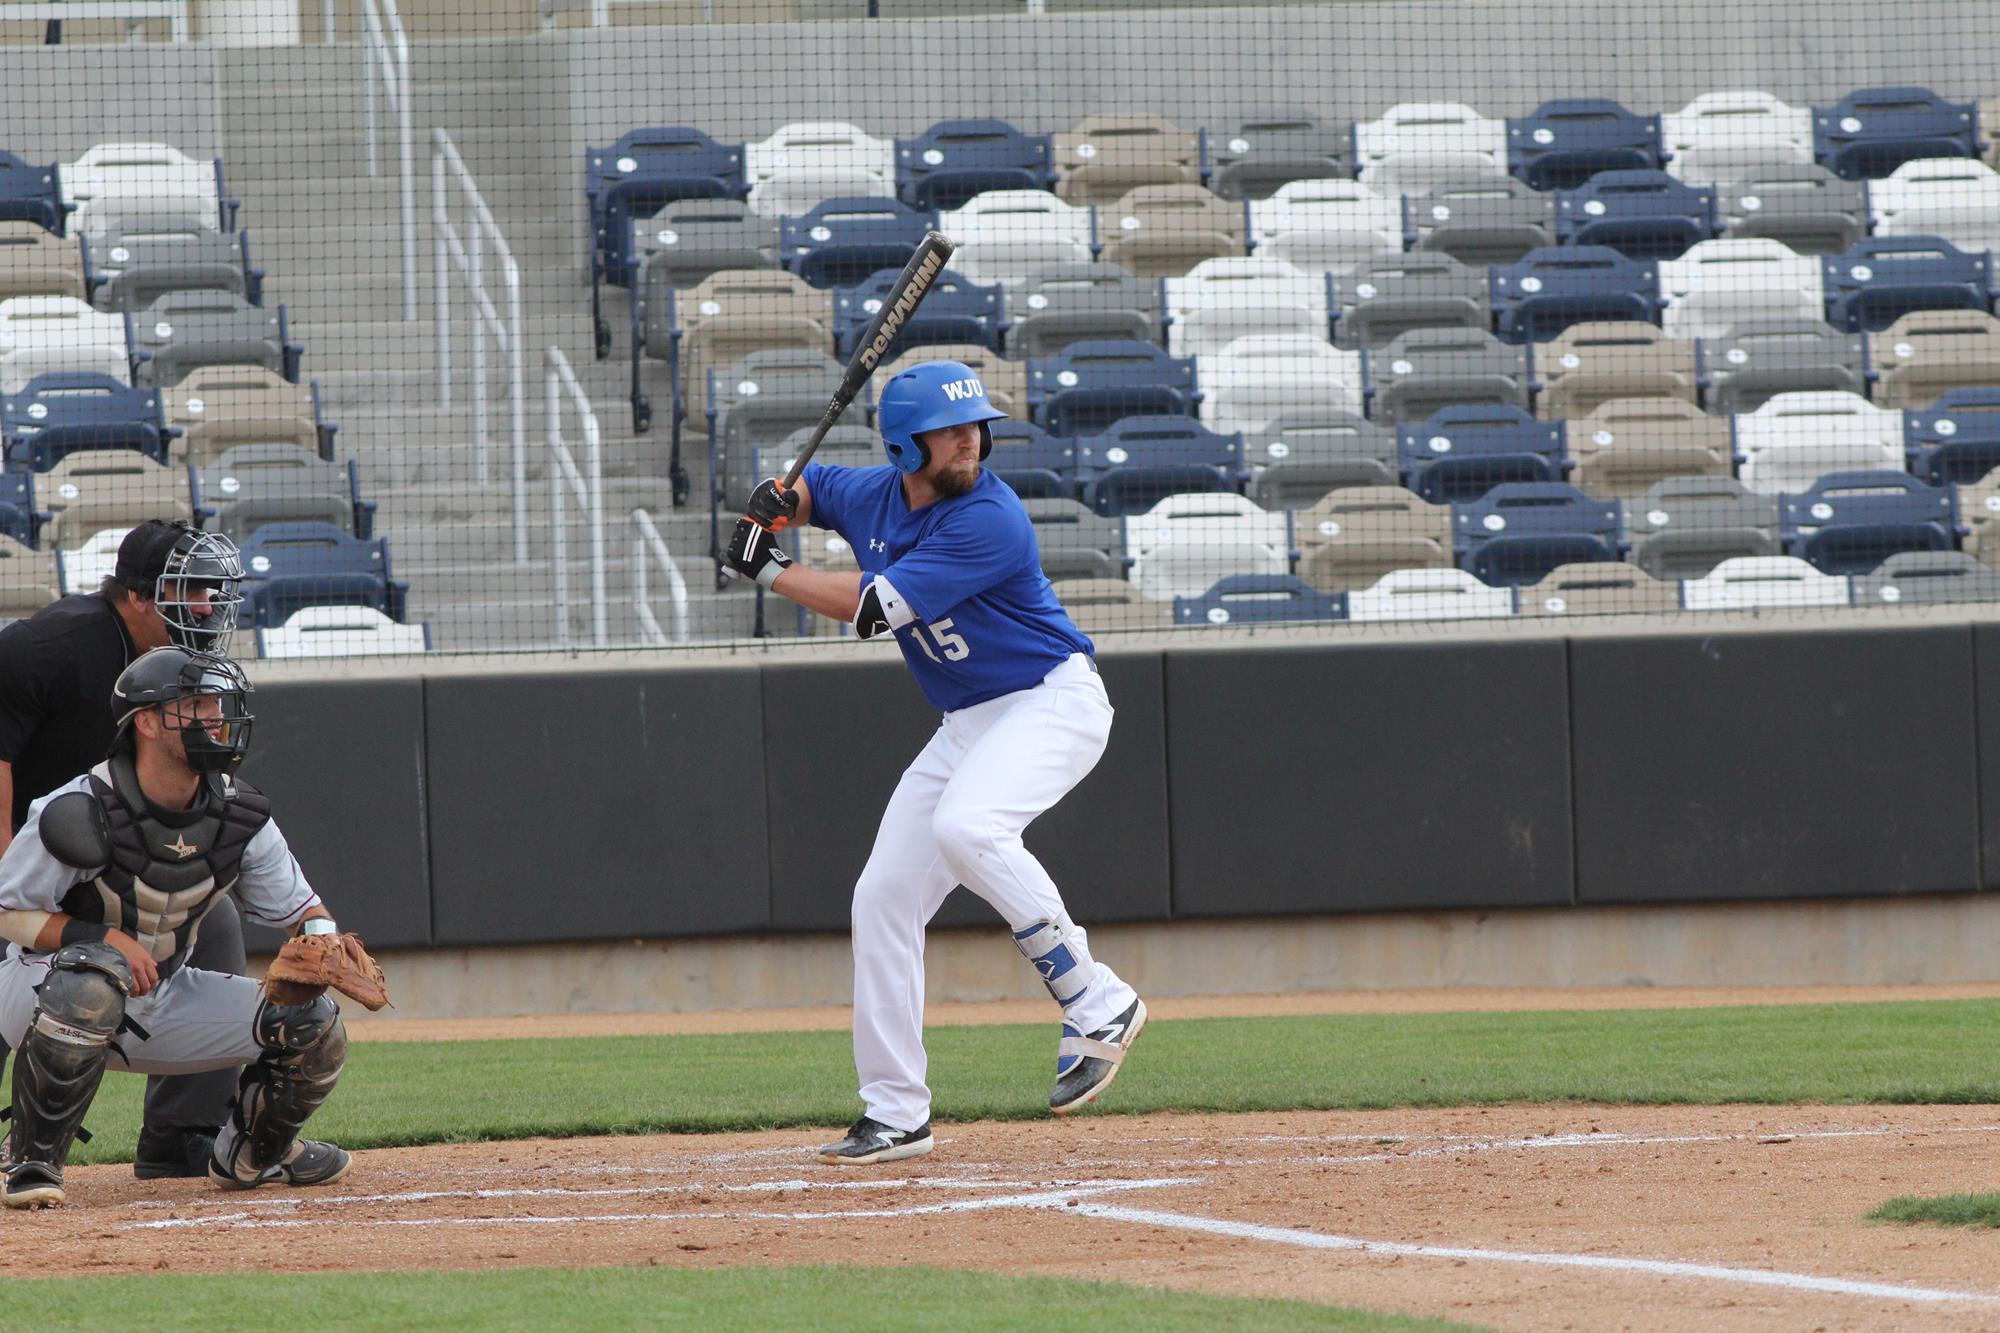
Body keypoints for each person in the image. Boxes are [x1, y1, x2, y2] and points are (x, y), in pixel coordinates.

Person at [725, 359, 1146, 1166]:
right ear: (903, 448)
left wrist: (771, 568)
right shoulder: (873, 492)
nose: (968, 443)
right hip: (968, 721)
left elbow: (873, 610)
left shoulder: (990, 517)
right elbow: (812, 491)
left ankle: (1096, 998)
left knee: (968, 824)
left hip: (1049, 700)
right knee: (881, 895)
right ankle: (895, 1111)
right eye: (949, 432)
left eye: (973, 427)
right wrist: (777, 500)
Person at [0, 646, 354, 1208]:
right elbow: (7, 911)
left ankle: (253, 1155)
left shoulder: (241, 813)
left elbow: (301, 910)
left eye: (216, 702)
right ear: (145, 720)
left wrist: (324, 939)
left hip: (160, 997)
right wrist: (98, 938)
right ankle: (33, 1160)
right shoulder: (78, 806)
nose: (215, 716)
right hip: (43, 993)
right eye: (195, 703)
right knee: (95, 975)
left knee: (316, 1024)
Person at [0, 519, 252, 1181]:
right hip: (23, 847)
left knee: (215, 919)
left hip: (83, 851)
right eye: (189, 589)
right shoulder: (59, 644)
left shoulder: (184, 668)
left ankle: (179, 1138)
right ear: (139, 596)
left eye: (211, 590)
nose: (206, 605)